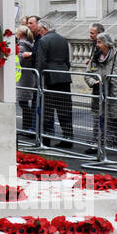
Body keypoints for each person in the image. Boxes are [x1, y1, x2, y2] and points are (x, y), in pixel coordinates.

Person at [32, 19, 76, 149]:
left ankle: (46, 139)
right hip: (64, 78)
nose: (40, 33)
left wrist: (39, 78)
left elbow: (41, 62)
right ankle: (68, 138)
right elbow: (67, 62)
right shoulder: (63, 40)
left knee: (47, 110)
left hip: (49, 79)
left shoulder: (43, 41)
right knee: (65, 109)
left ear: (44, 29)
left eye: (40, 31)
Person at [14, 24, 37, 141]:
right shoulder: (28, 45)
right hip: (26, 78)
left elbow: (18, 60)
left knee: (23, 103)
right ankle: (27, 127)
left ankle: (27, 127)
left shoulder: (22, 46)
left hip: (24, 79)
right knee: (25, 104)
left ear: (20, 35)